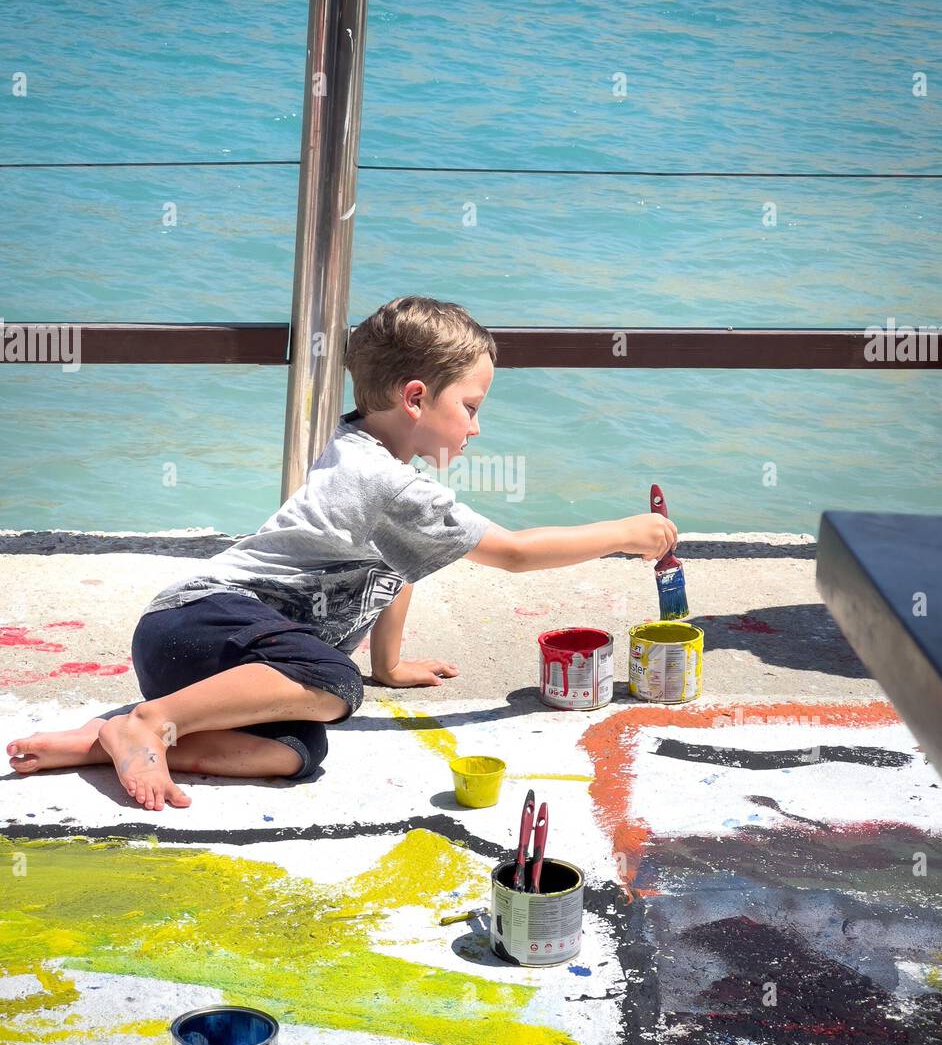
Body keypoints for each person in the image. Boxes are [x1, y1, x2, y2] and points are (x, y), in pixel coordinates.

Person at [7, 296, 676, 812]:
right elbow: (517, 555)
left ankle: (111, 739)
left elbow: (397, 565)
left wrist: (388, 664)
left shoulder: (364, 445)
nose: (477, 427)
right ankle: (153, 721)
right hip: (204, 621)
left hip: (207, 661)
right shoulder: (388, 480)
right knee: (332, 682)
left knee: (298, 750)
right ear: (416, 398)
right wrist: (626, 533)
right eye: (470, 407)